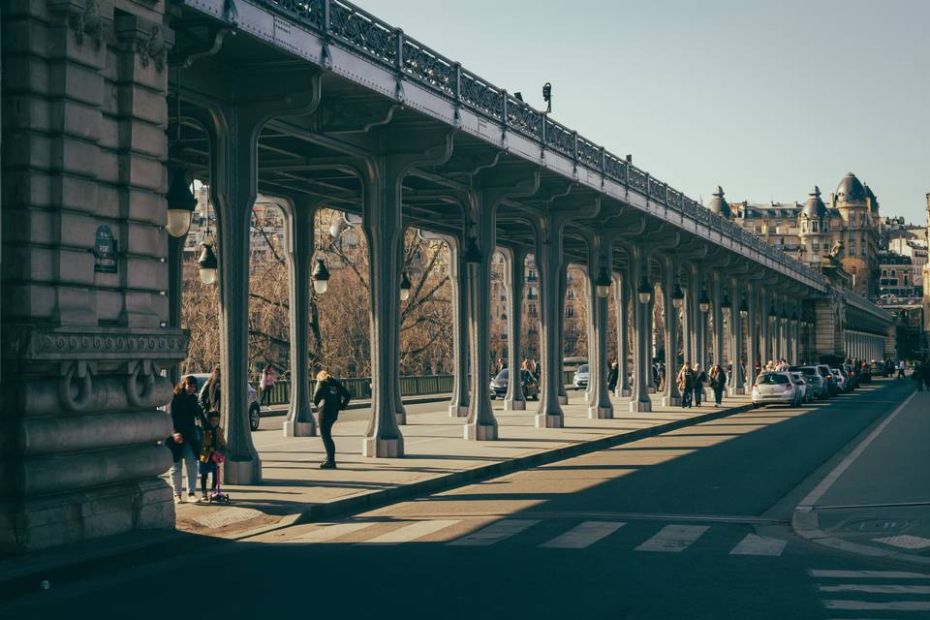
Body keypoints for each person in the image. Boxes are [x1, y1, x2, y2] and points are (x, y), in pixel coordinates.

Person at [167, 375, 206, 503]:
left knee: (192, 464)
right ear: (184, 384)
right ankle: (177, 494)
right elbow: (169, 417)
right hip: (176, 436)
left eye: (194, 387)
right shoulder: (174, 398)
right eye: (190, 385)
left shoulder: (194, 399)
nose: (192, 389)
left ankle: (191, 493)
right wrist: (174, 433)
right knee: (176, 466)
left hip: (190, 436)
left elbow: (199, 416)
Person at [313, 370, 351, 469]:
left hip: (324, 411)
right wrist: (342, 406)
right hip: (334, 411)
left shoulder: (321, 383)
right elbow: (347, 395)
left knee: (325, 436)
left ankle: (330, 461)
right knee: (328, 435)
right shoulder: (336, 383)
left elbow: (315, 398)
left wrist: (319, 405)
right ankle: (329, 458)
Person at [198, 410, 227, 502]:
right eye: (212, 421)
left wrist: (224, 448)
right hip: (204, 455)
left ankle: (214, 490)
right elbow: (202, 443)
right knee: (204, 474)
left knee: (215, 473)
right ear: (208, 421)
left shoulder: (218, 430)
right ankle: (203, 492)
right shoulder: (204, 430)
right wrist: (207, 448)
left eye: (216, 421)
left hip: (215, 456)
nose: (214, 423)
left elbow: (222, 441)